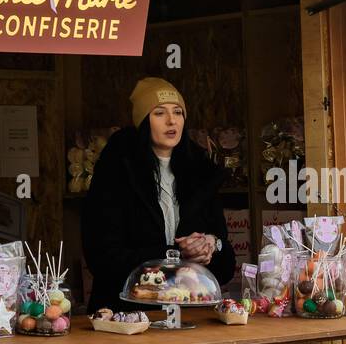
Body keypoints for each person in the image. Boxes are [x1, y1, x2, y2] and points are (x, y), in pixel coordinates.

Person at [81, 77, 236, 313]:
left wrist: (211, 247)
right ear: (144, 120)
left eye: (178, 112)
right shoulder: (117, 172)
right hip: (125, 316)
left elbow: (225, 269)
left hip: (189, 316)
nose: (171, 120)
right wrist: (175, 255)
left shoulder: (200, 175)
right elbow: (102, 258)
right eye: (159, 113)